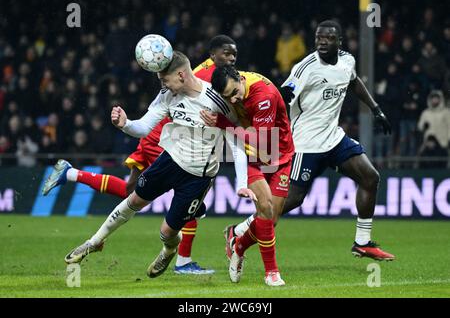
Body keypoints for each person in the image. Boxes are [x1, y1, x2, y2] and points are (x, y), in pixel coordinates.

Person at [42, 35, 238, 275]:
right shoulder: (167, 96)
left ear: (181, 75)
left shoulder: (216, 98)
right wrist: (125, 124)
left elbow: (238, 131)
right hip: (169, 161)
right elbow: (143, 127)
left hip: (198, 177)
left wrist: (222, 125)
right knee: (133, 199)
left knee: (167, 233)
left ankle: (169, 251)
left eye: (164, 79)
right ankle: (93, 242)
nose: (162, 85)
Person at [230, 20, 395, 261]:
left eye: (328, 38)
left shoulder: (347, 60)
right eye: (318, 38)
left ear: (339, 41)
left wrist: (376, 108)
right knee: (288, 202)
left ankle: (362, 243)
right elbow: (284, 93)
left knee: (370, 177)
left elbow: (354, 81)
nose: (322, 42)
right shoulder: (305, 67)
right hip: (305, 144)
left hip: (333, 137)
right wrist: (279, 98)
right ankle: (238, 232)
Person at [201, 65, 295, 286]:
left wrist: (223, 123)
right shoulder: (232, 89)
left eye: (235, 93)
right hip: (252, 158)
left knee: (270, 221)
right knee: (265, 207)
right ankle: (271, 272)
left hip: (278, 154)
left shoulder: (264, 96)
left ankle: (238, 243)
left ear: (239, 78)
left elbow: (262, 142)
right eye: (228, 97)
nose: (234, 100)